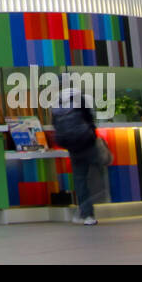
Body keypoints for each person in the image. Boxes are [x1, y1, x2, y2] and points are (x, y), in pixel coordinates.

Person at [51, 87, 104, 225]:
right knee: (96, 173)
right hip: (88, 144)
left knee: (80, 180)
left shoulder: (56, 106)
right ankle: (94, 204)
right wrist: (93, 135)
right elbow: (90, 119)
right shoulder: (80, 100)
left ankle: (86, 215)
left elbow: (56, 127)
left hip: (73, 148)